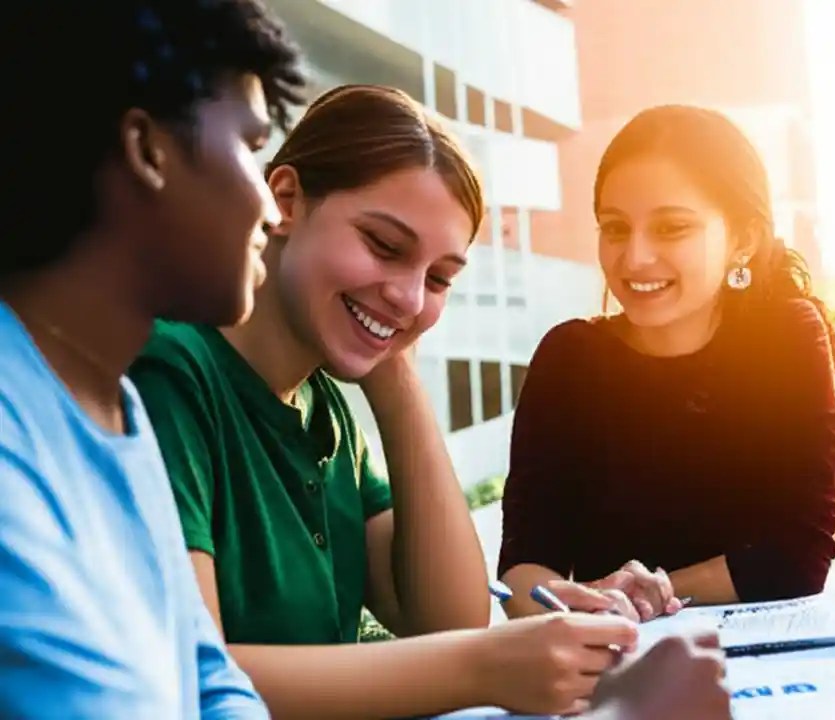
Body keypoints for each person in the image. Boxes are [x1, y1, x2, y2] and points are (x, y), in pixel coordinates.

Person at [131, 84, 731, 719]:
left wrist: (398, 383)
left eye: (439, 278)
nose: (410, 298)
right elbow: (190, 675)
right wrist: (488, 667)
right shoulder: (168, 371)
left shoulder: (324, 410)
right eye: (385, 247)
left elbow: (449, 619)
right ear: (286, 201)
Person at [0, 0, 306, 716]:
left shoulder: (116, 402)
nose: (270, 209)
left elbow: (211, 678)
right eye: (252, 148)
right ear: (148, 149)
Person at [498, 105, 835, 621]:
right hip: (620, 668)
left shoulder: (786, 338)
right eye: (615, 229)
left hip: (776, 659)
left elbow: (798, 556)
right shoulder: (568, 359)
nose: (635, 257)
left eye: (671, 228)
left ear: (743, 239)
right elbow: (524, 569)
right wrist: (578, 604)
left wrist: (645, 592)